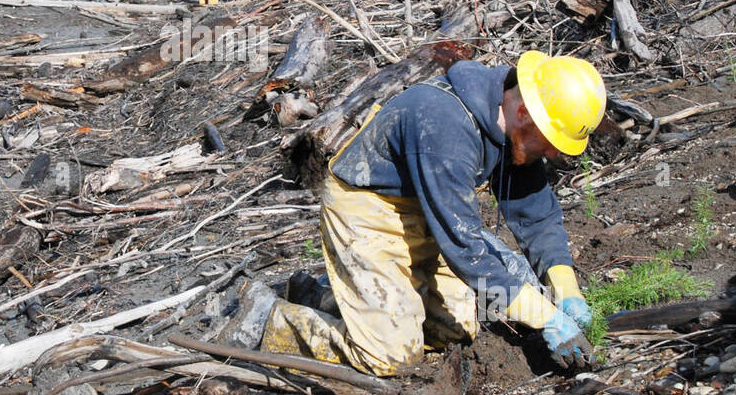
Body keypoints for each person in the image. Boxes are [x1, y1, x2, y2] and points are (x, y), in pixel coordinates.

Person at [257, 51, 606, 376]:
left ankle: (337, 298)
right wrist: (546, 318)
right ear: (524, 113)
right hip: (369, 212)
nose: (554, 155)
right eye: (550, 142)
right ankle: (271, 322)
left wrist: (567, 291)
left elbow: (537, 216)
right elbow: (465, 249)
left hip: (427, 216)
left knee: (456, 331)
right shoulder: (445, 123)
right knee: (392, 357)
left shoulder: (514, 133)